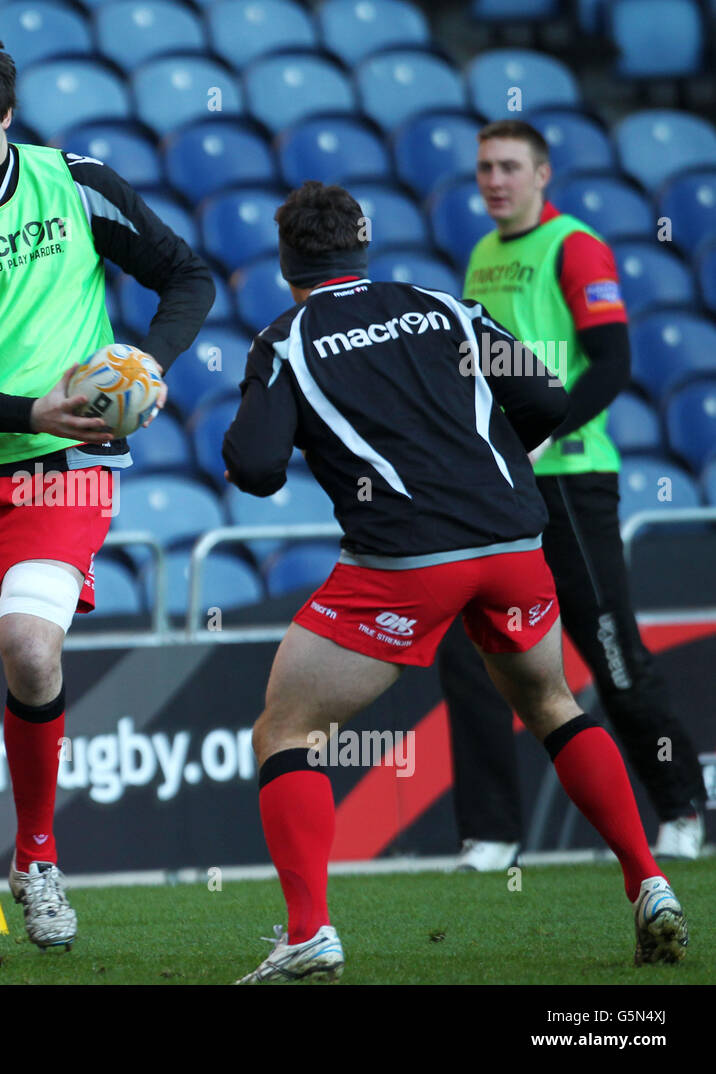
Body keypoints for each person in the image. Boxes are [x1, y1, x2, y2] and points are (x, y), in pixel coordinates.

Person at [222, 181, 687, 984]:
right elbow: (544, 394)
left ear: (287, 264)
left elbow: (256, 469)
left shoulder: (286, 340)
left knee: (283, 732)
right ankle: (648, 880)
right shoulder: (446, 307)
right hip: (513, 541)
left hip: (406, 561)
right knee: (552, 705)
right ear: (363, 246)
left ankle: (309, 933)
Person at [0, 26, 214, 963]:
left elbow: (188, 274)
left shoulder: (77, 182)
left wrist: (153, 363)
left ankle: (38, 862)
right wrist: (33, 407)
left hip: (58, 473)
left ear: (7, 116)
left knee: (27, 645)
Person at [442, 120, 706, 872]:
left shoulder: (575, 245)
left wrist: (547, 436)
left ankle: (682, 808)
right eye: (485, 167)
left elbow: (613, 362)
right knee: (476, 656)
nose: (494, 179)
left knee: (611, 650)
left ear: (543, 174)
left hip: (573, 481)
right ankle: (491, 835)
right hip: (503, 487)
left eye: (509, 167)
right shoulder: (483, 255)